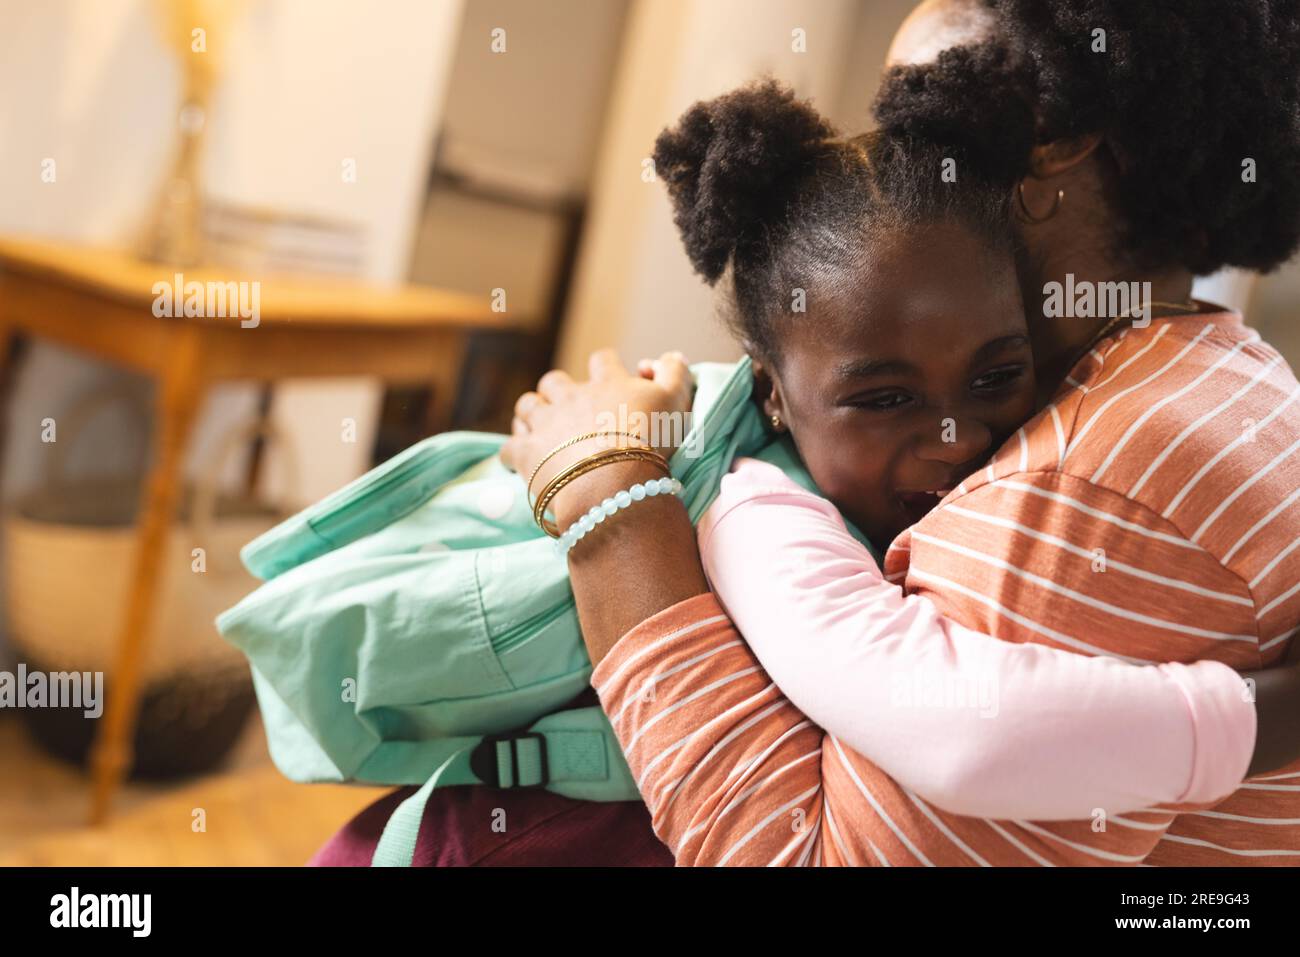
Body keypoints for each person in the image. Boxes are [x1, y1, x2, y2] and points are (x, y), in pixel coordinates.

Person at [500, 0, 1300, 865]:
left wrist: (603, 493)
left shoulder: (1092, 488)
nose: (888, 164)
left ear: (1050, 135)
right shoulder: (1218, 376)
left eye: (918, 124)